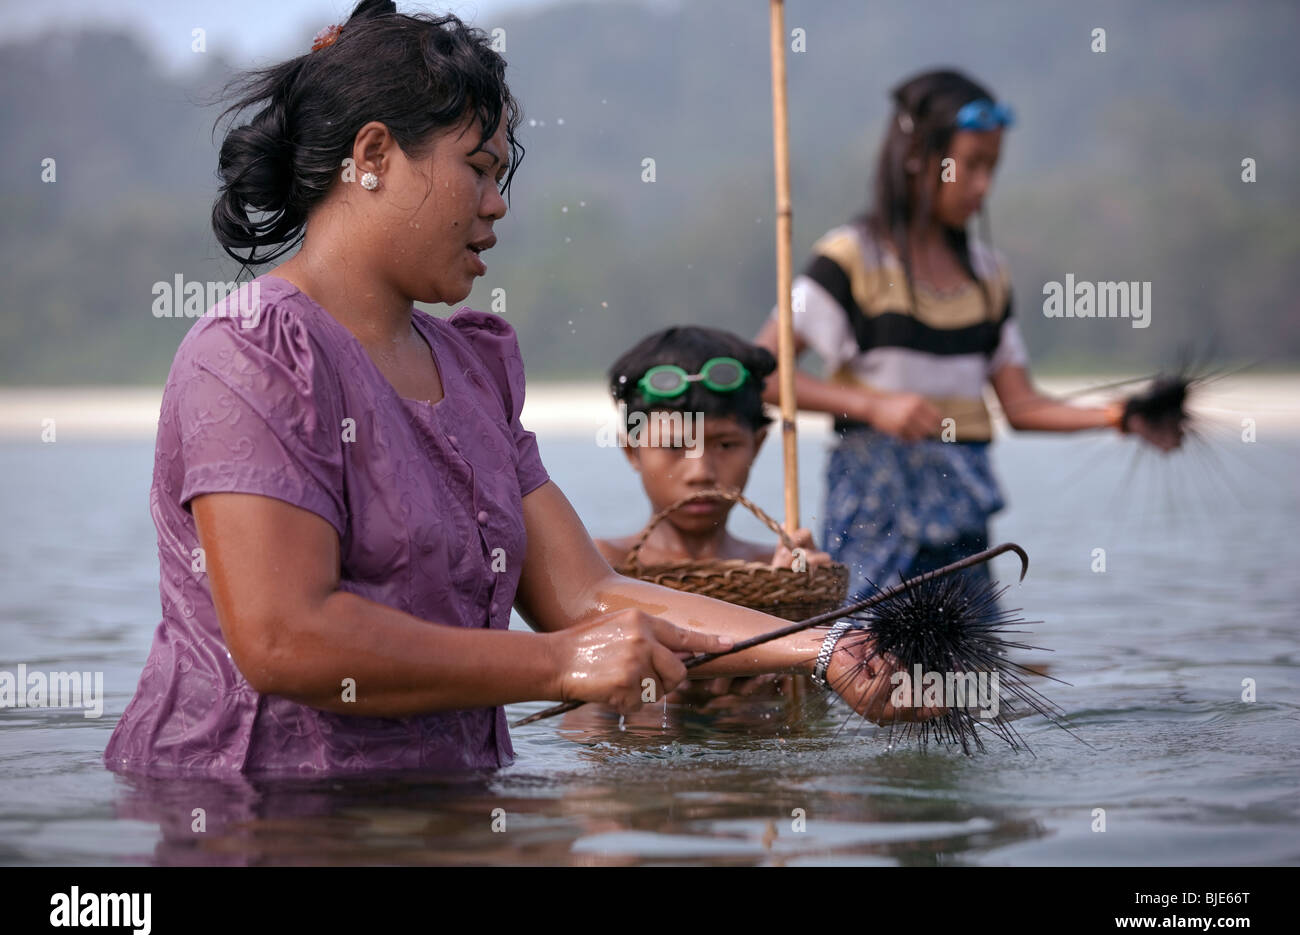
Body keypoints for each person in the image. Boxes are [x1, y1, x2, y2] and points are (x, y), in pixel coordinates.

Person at [104, 1, 933, 779]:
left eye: (501, 174)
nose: (498, 205)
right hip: (266, 811)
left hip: (450, 801)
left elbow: (586, 594)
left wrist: (826, 647)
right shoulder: (251, 355)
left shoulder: (471, 367)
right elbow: (288, 637)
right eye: (477, 168)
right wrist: (559, 664)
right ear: (372, 158)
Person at [755, 68, 1179, 603]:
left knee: (969, 673)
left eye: (992, 169)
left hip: (962, 517)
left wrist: (1121, 416)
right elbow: (766, 374)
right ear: (918, 158)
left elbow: (1021, 406)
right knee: (865, 661)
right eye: (971, 166)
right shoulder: (849, 260)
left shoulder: (987, 276)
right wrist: (872, 406)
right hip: (874, 511)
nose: (982, 186)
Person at [595, 326, 831, 710]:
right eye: (673, 445)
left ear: (757, 445)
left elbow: (814, 720)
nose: (701, 472)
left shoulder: (777, 574)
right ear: (631, 450)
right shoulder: (601, 572)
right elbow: (585, 730)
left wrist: (806, 607)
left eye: (725, 444)